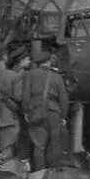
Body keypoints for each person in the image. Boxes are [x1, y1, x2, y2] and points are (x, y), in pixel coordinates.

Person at [20, 40, 70, 170]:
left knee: (39, 146)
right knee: (54, 146)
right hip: (54, 113)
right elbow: (64, 99)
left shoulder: (29, 75)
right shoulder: (57, 77)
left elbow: (25, 96)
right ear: (48, 62)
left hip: (36, 112)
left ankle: (40, 175)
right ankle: (52, 175)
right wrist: (63, 117)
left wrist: (26, 112)